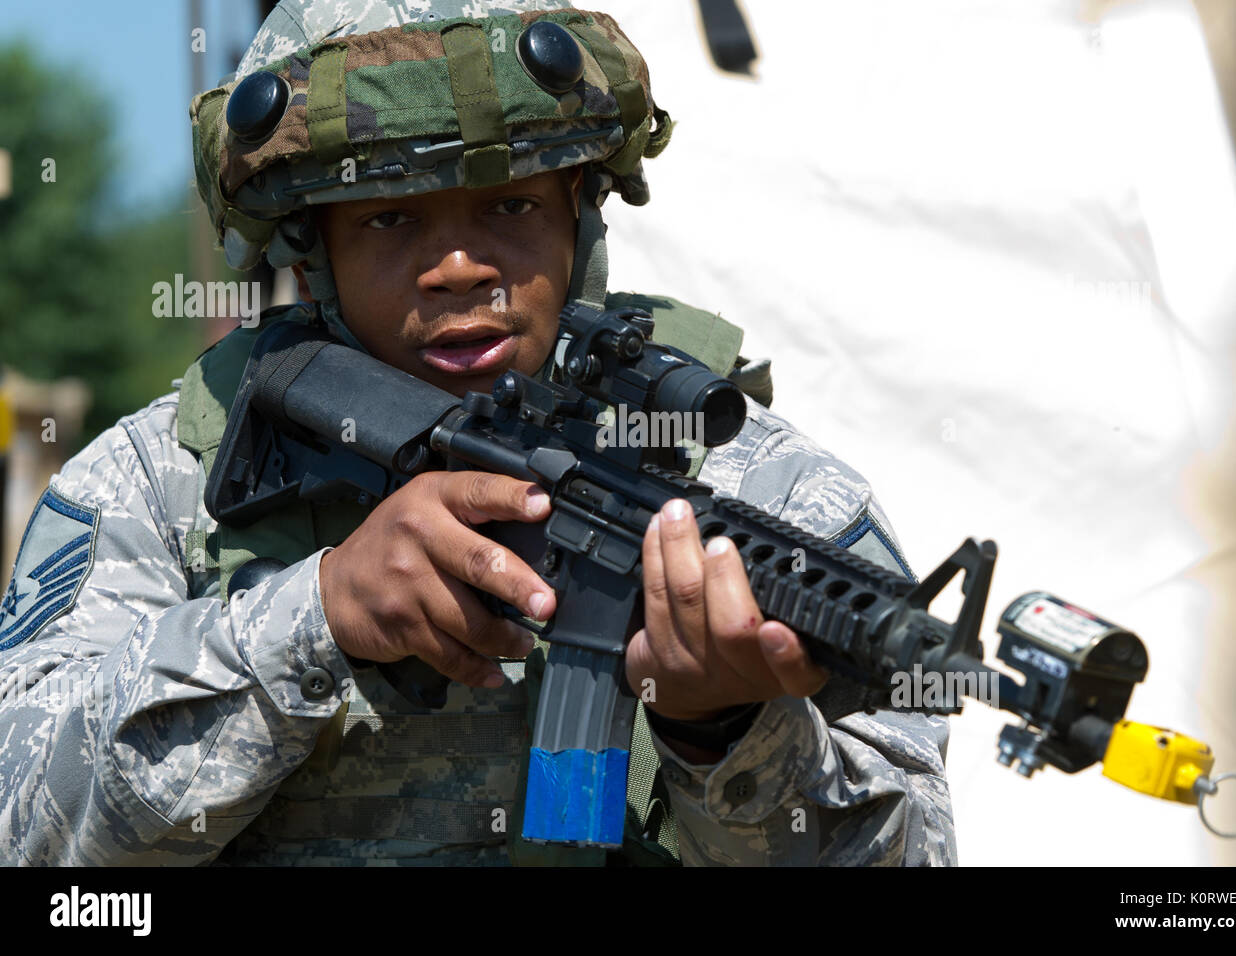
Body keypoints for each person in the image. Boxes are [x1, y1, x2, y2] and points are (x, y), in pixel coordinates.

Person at [0, 0, 956, 866]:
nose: (458, 266)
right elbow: (25, 828)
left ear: (580, 217)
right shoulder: (162, 484)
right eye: (388, 216)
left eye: (509, 204)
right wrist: (314, 616)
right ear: (313, 249)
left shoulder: (760, 486)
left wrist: (728, 728)